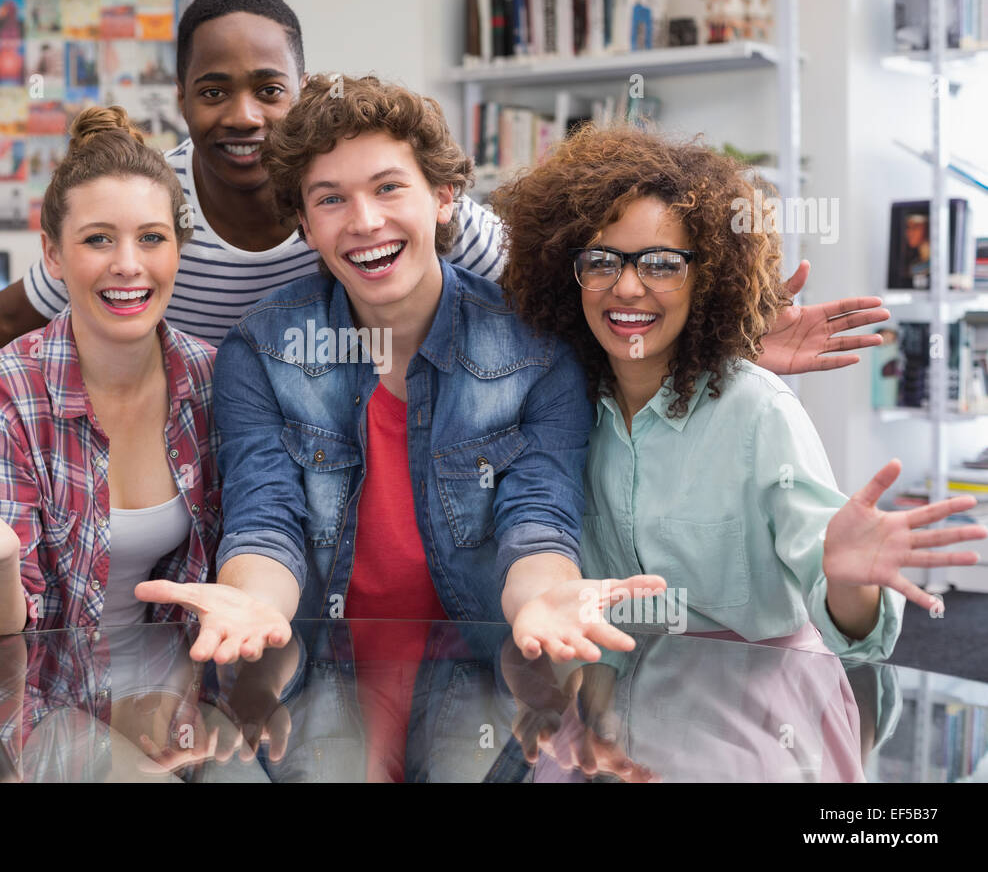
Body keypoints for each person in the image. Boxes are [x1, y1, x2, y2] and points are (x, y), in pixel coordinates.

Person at [0, 0, 875, 375]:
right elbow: (6, 318)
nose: (244, 112)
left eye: (268, 86)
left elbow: (573, 296)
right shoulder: (151, 227)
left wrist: (715, 341)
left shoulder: (395, 212)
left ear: (303, 93)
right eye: (215, 89)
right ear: (182, 103)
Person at [133, 75, 669, 781]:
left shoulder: (537, 350)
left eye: (389, 188)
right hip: (319, 665)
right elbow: (267, 522)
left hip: (478, 663)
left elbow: (537, 517)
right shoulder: (262, 351)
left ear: (444, 196)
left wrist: (542, 597)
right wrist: (251, 603)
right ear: (304, 220)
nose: (363, 221)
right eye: (330, 199)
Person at [494, 124, 983, 666]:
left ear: (707, 279)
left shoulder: (758, 410)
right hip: (608, 719)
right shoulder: (561, 409)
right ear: (568, 275)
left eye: (661, 264)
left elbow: (859, 631)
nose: (628, 287)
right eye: (602, 262)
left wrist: (849, 581)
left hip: (752, 717)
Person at [0, 106, 239, 773]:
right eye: (97, 240)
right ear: (54, 254)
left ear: (178, 248)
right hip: (35, 694)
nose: (128, 265)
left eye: (151, 238)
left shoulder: (211, 381)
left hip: (172, 686)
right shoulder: (5, 393)